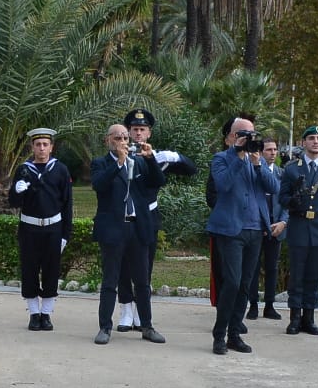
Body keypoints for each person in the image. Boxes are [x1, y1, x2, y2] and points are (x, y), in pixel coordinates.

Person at [117, 108, 195, 332]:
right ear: (128, 132)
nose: (138, 133)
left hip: (147, 217)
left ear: (149, 133)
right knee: (123, 264)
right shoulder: (120, 155)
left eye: (142, 129)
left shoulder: (156, 157)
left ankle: (142, 312)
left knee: (145, 266)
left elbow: (191, 169)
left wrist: (173, 156)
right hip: (124, 216)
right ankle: (125, 310)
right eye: (134, 129)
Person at [206, 116, 278, 355]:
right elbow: (223, 185)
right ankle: (219, 334)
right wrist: (237, 156)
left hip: (255, 230)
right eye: (243, 134)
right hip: (230, 231)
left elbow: (273, 188)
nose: (249, 138)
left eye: (252, 133)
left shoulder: (257, 160)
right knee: (232, 282)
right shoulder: (220, 159)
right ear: (232, 138)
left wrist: (258, 164)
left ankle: (234, 334)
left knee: (245, 285)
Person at [91, 123, 166, 345]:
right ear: (108, 141)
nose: (123, 141)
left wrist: (151, 159)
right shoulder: (101, 164)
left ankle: (147, 326)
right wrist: (119, 163)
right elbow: (99, 185)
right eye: (118, 138)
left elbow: (158, 182)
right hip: (113, 229)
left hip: (137, 228)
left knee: (142, 281)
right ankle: (105, 326)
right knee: (110, 280)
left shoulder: (140, 162)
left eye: (125, 137)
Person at [280, 125, 318, 335]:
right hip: (299, 226)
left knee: (314, 276)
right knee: (297, 275)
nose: (316, 141)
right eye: (311, 138)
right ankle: (295, 318)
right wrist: (293, 200)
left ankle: (310, 317)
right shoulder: (291, 168)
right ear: (303, 142)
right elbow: (282, 199)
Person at [10, 127, 73, 330]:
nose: (42, 148)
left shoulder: (60, 169)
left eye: (46, 144)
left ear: (52, 147)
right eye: (38, 145)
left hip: (53, 228)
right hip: (29, 228)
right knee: (29, 270)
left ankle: (46, 314)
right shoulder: (23, 169)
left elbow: (67, 204)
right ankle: (33, 313)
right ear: (32, 147)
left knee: (51, 271)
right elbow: (12, 201)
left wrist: (65, 235)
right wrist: (17, 191)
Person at [246, 137, 287, 321]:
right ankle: (252, 304)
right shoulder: (254, 172)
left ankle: (269, 305)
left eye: (275, 149)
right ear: (261, 152)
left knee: (272, 267)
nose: (273, 153)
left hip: (276, 227)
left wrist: (283, 222)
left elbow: (286, 202)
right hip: (257, 227)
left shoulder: (282, 173)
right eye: (269, 149)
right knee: (253, 267)